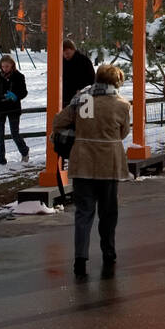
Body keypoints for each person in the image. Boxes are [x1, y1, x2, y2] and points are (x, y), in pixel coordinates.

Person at [53, 63, 131, 277]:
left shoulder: (82, 100)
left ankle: (80, 257)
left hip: (83, 161)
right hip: (109, 163)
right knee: (108, 212)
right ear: (116, 82)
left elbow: (58, 122)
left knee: (83, 212)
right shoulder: (121, 105)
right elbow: (123, 133)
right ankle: (108, 251)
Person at [0, 54, 30, 164]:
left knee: (14, 134)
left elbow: (24, 92)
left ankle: (24, 151)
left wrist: (15, 96)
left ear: (12, 65)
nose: (5, 69)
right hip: (0, 109)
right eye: (3, 66)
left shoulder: (19, 76)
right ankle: (1, 160)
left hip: (13, 109)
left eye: (7, 66)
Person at [61, 38, 96, 108]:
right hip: (65, 99)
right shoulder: (61, 62)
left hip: (82, 99)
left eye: (67, 53)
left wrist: (82, 90)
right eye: (63, 54)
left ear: (73, 50)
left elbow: (91, 80)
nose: (66, 56)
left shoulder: (84, 61)